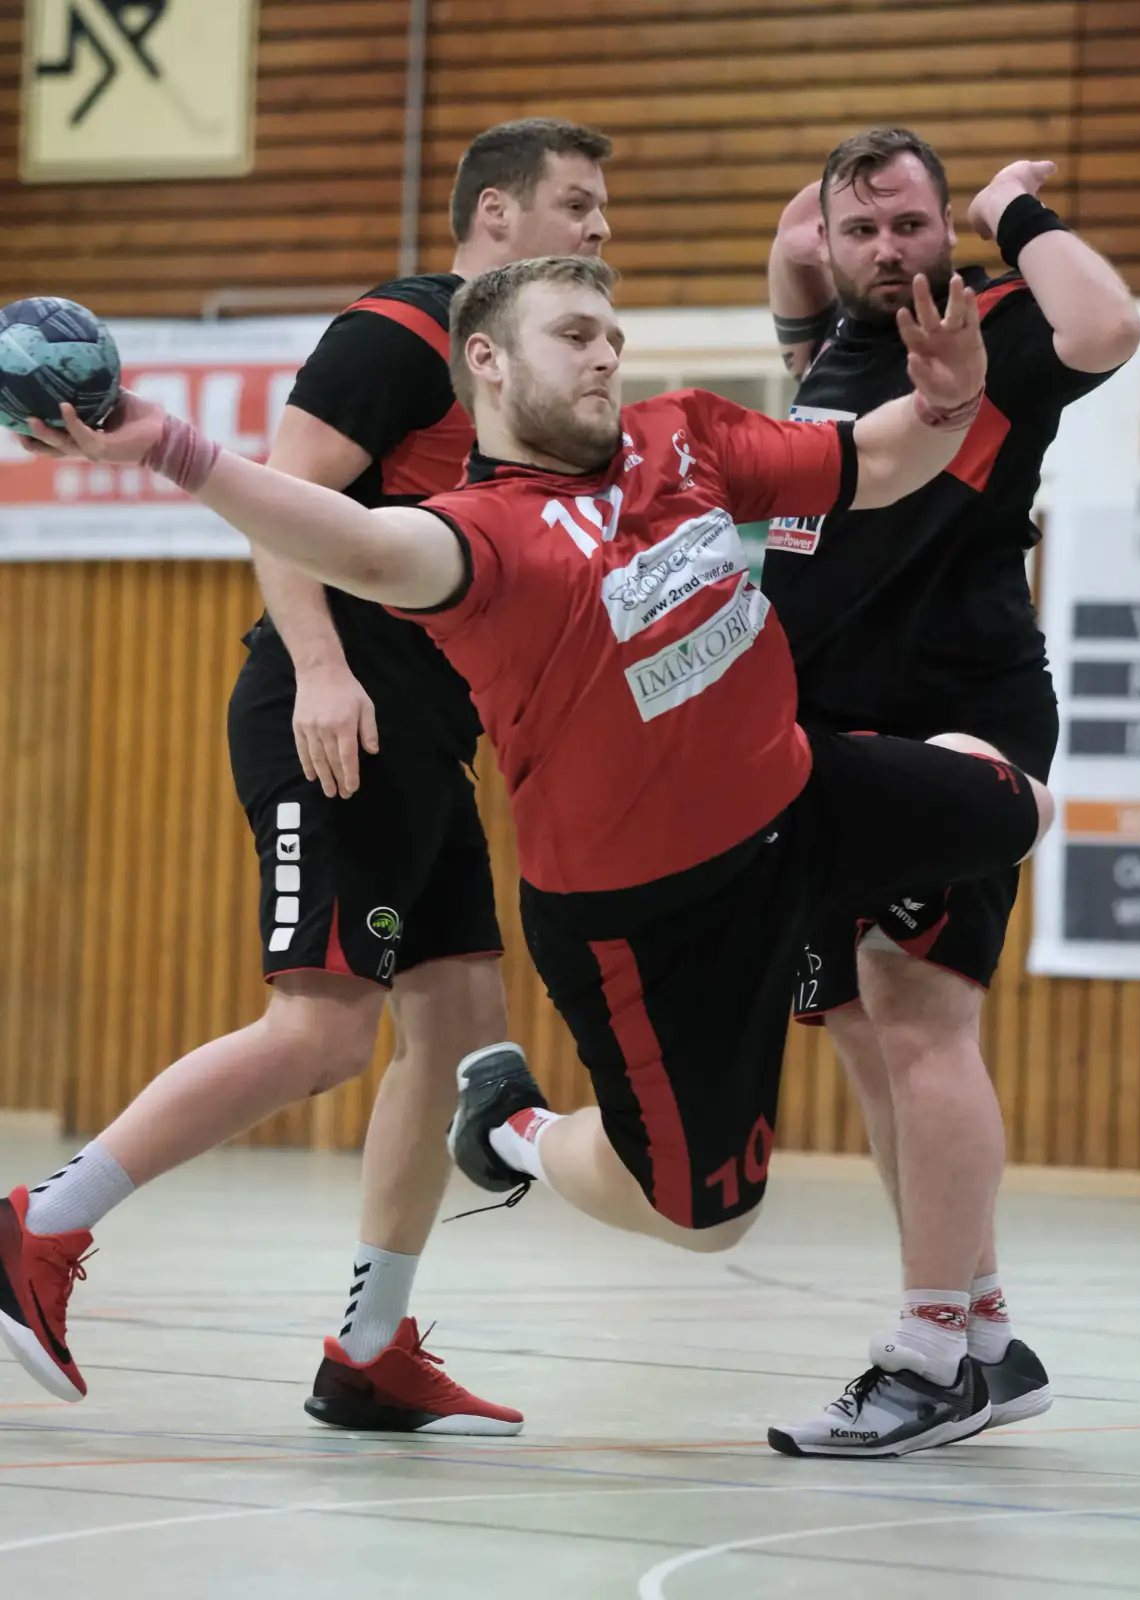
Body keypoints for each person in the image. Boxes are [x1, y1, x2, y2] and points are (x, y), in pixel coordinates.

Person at [11, 253, 1055, 1459]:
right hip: (654, 914)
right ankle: (514, 1128)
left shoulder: (685, 438)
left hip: (801, 798)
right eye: (574, 333)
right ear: (489, 362)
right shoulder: (480, 537)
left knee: (1021, 805)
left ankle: (961, 1323)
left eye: (613, 332)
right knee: (707, 1218)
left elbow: (872, 461)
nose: (606, 352)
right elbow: (354, 542)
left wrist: (945, 400)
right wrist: (170, 448)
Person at [0, 119, 612, 1436]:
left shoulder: (521, 383)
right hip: (335, 711)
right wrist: (325, 667)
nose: (599, 227)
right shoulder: (401, 331)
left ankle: (369, 1350)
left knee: (455, 1038)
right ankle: (37, 1225)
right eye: (576, 203)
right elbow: (280, 496)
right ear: (495, 215)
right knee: (324, 1031)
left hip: (427, 738)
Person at [760, 127, 1140, 1451]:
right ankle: (983, 1336)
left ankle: (928, 1355)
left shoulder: (996, 328)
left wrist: (1009, 208)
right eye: (861, 229)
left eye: (911, 225)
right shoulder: (831, 348)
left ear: (946, 232)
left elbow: (1112, 324)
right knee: (867, 1031)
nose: (887, 250)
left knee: (923, 1019)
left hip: (952, 729)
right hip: (821, 739)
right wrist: (813, 236)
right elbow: (795, 262)